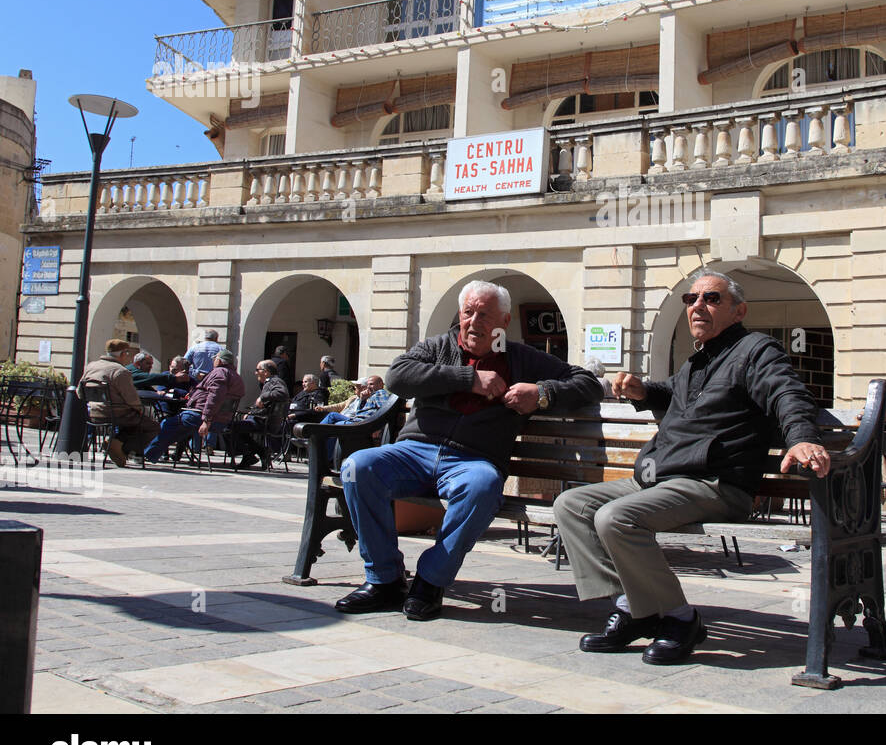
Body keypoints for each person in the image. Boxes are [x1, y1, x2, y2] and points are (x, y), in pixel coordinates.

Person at [553, 271, 827, 665]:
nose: (698, 306)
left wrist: (802, 437)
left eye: (712, 298)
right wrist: (644, 391)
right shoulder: (698, 359)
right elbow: (679, 397)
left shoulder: (756, 350)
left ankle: (682, 620)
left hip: (715, 483)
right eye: (691, 299)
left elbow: (787, 392)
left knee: (616, 518)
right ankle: (632, 607)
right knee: (571, 506)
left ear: (739, 311)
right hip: (665, 477)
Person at [335, 280, 601, 620]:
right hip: (414, 453)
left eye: (485, 315)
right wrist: (468, 379)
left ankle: (430, 581)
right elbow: (397, 377)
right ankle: (384, 579)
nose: (474, 322)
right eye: (468, 312)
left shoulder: (522, 358)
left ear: (505, 322)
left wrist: (541, 393)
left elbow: (587, 384)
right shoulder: (436, 347)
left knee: (483, 486)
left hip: (473, 460)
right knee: (359, 467)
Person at [145, 350, 247, 463]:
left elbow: (215, 397)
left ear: (220, 361)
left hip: (201, 416)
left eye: (215, 359)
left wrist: (206, 420)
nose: (213, 361)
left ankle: (148, 455)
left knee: (168, 423)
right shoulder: (236, 377)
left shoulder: (220, 372)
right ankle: (161, 454)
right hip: (222, 419)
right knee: (180, 427)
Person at [78, 340, 161, 467]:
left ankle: (116, 443)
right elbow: (132, 399)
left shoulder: (91, 367)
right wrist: (138, 408)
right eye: (126, 354)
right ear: (122, 354)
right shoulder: (120, 371)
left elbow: (80, 392)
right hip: (118, 414)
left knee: (135, 422)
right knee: (152, 426)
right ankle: (121, 448)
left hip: (93, 412)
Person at [228, 359, 290, 470]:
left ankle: (252, 454)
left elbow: (283, 393)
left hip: (265, 422)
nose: (256, 373)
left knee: (230, 427)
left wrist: (263, 397)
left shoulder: (275, 381)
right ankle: (257, 453)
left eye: (258, 370)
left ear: (266, 372)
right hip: (262, 420)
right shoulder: (269, 382)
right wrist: (251, 412)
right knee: (236, 427)